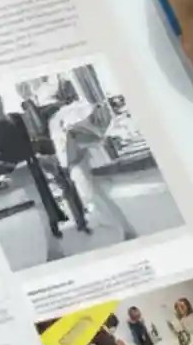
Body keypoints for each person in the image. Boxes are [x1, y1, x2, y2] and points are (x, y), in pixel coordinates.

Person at [55, 83, 139, 242]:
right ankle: (124, 227)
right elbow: (92, 138)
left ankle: (121, 227)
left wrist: (75, 139)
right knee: (96, 197)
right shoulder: (73, 116)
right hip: (77, 161)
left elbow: (87, 138)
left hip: (77, 162)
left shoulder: (72, 117)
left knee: (92, 197)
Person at [0, 91, 68, 237]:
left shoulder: (15, 118)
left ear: (1, 101)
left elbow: (26, 140)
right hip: (16, 167)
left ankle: (53, 225)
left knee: (44, 193)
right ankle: (46, 228)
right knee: (35, 198)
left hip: (30, 160)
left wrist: (36, 156)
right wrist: (2, 169)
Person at [19, 81, 92, 234]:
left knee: (67, 187)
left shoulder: (39, 112)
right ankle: (81, 220)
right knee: (68, 187)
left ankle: (80, 219)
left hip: (47, 154)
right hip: (52, 153)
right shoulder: (42, 111)